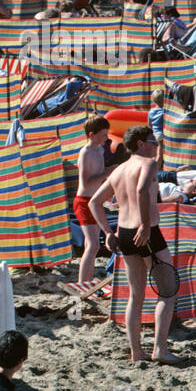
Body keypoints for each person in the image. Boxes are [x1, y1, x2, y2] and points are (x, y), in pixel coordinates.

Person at [89, 126, 179, 364]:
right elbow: (140, 189)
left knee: (135, 295)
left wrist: (107, 232)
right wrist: (146, 225)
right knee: (168, 291)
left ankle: (136, 352)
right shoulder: (147, 164)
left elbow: (94, 203)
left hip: (125, 233)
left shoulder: (119, 170)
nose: (156, 146)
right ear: (140, 144)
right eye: (153, 142)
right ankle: (160, 348)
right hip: (145, 232)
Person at [74, 116, 112, 282]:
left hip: (95, 200)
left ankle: (87, 281)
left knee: (95, 245)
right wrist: (108, 172)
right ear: (91, 135)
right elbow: (86, 182)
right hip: (83, 201)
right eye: (103, 135)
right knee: (92, 245)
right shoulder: (86, 152)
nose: (106, 138)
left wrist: (109, 195)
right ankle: (83, 282)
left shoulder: (100, 150)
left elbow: (100, 180)